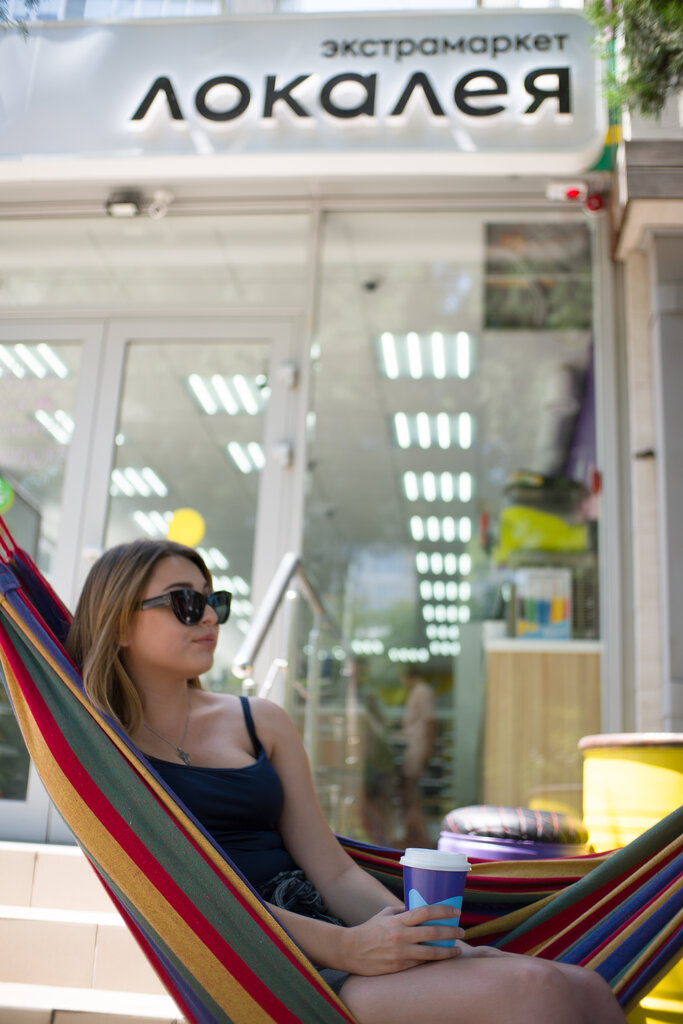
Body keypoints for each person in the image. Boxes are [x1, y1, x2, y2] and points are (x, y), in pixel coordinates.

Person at [66, 538, 627, 1024]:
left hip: (339, 937)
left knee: (589, 988)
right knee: (538, 992)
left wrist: (409, 931)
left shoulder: (259, 722)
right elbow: (189, 898)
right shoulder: (106, 753)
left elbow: (331, 869)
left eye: (216, 602)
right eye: (186, 604)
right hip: (269, 972)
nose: (210, 617)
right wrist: (347, 949)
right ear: (118, 623)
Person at [400, 664, 437, 847]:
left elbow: (430, 721)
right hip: (415, 743)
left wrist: (428, 750)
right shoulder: (418, 691)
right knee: (409, 791)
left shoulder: (422, 692)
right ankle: (414, 832)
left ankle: (418, 835)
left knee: (410, 792)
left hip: (418, 744)